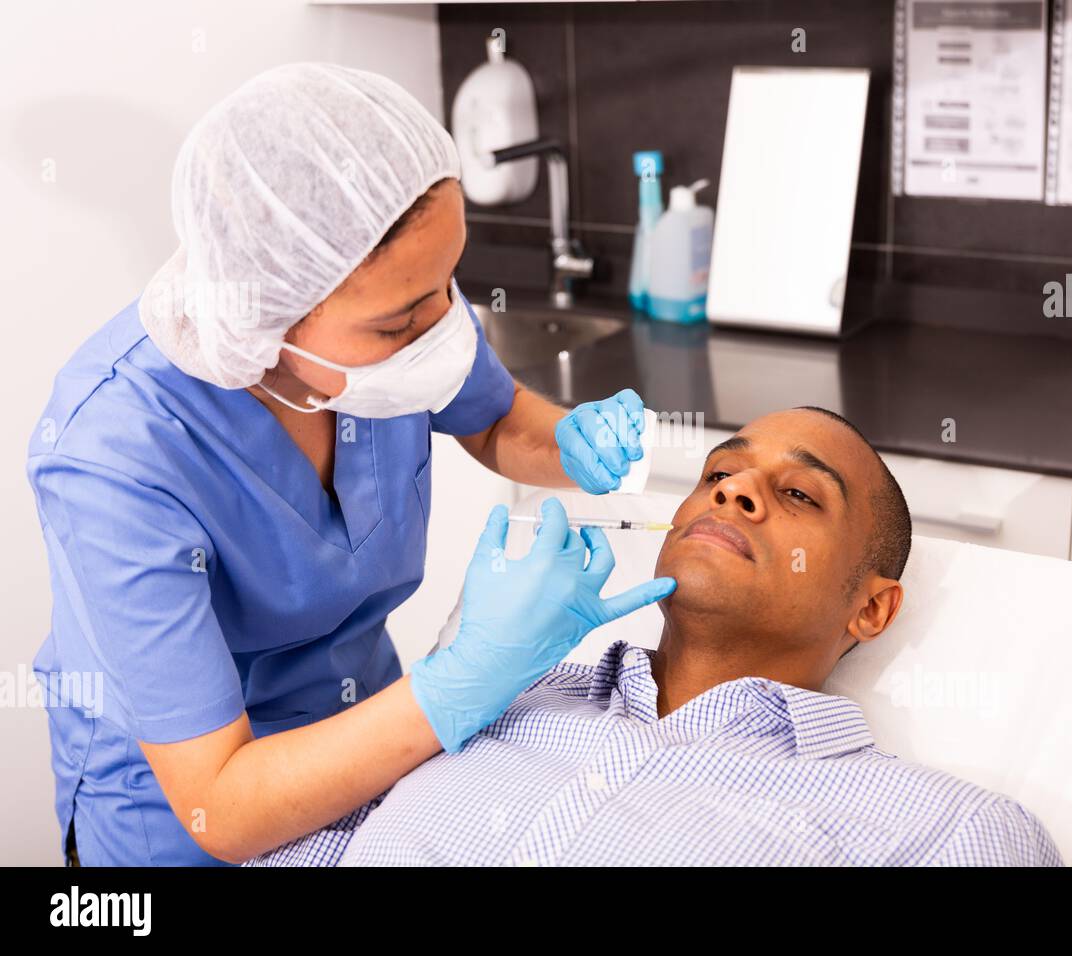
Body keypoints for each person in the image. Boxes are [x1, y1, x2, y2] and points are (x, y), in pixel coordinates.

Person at [26, 62, 672, 866]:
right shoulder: (117, 455)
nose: (445, 328)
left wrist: (569, 443)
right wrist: (457, 684)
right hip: (185, 824)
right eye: (404, 322)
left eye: (450, 283)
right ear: (269, 314)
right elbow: (218, 803)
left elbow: (496, 415)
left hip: (376, 748)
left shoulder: (402, 300)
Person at [249, 407, 1063, 866]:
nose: (737, 490)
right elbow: (278, 845)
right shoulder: (482, 695)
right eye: (718, 475)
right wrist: (460, 679)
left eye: (800, 496)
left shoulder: (947, 830)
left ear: (872, 611)